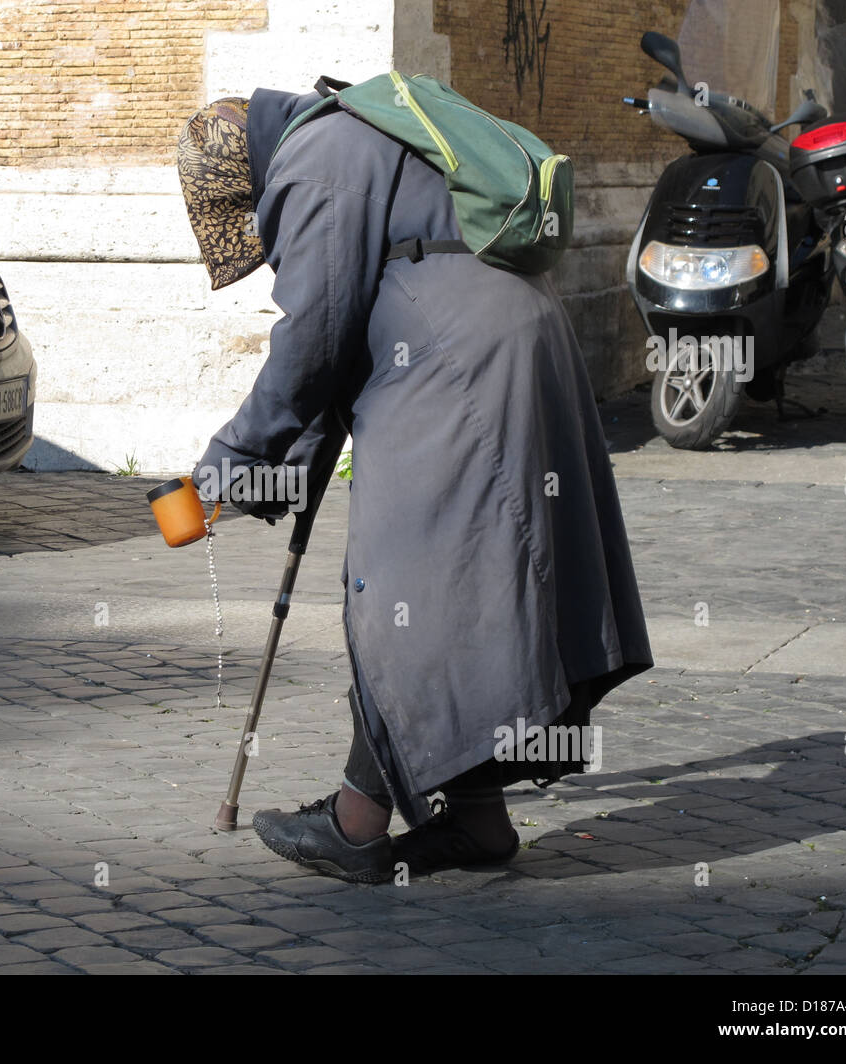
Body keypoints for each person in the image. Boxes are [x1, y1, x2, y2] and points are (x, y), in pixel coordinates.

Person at [177, 88, 654, 883]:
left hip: (456, 368)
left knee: (406, 590)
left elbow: (313, 340)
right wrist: (283, 468)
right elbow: (346, 331)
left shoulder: (316, 159)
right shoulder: (352, 132)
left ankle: (356, 823)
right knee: (451, 586)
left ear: (245, 182)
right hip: (495, 346)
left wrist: (229, 457)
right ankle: (477, 820)